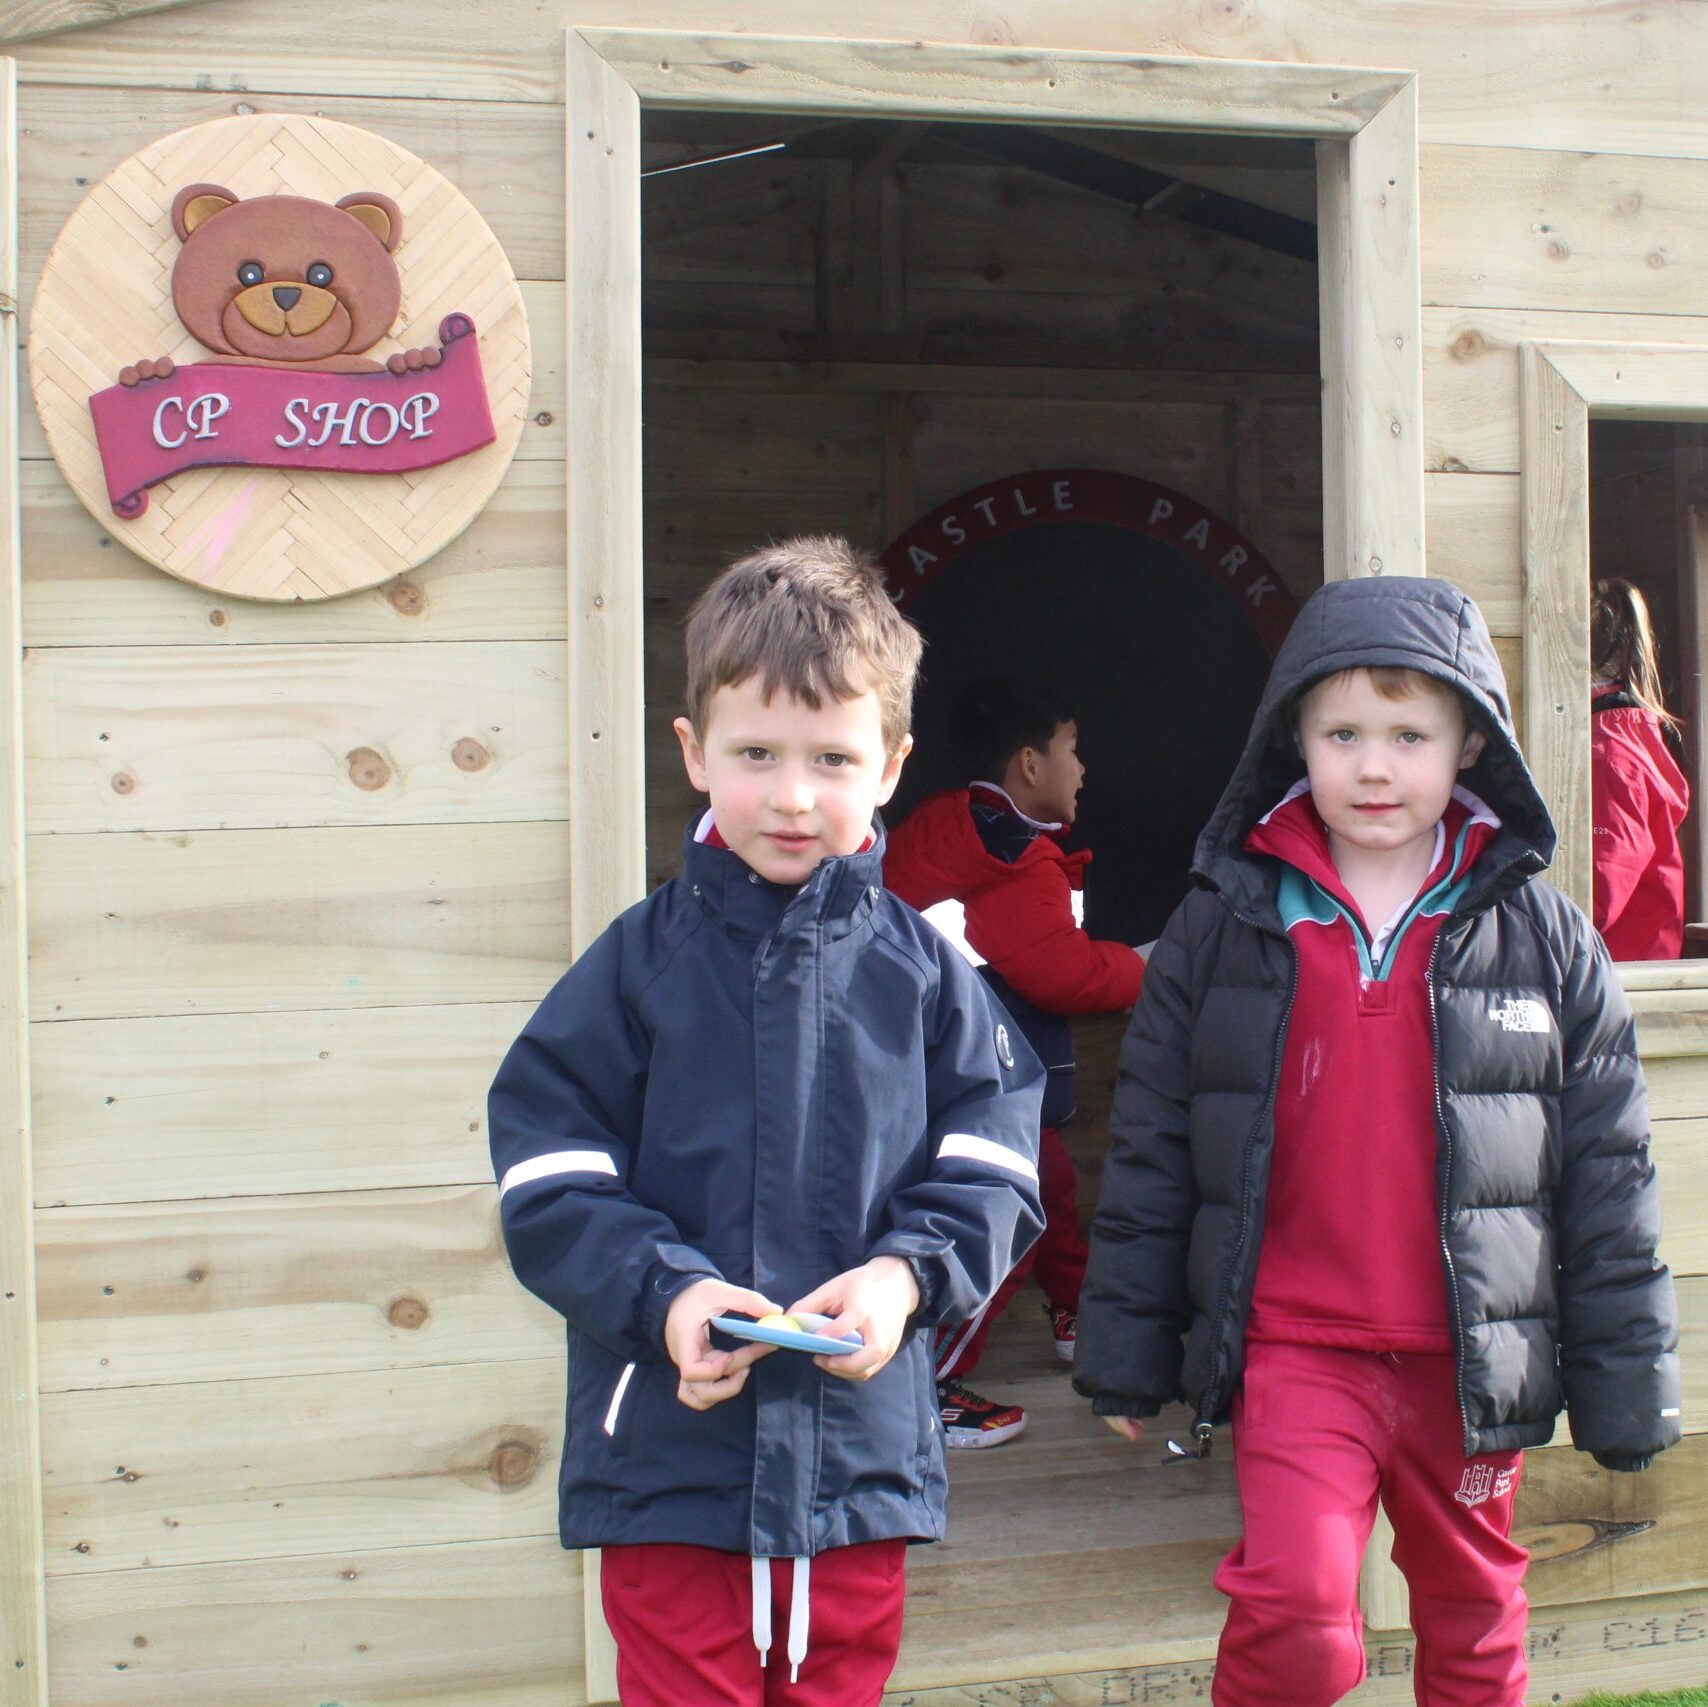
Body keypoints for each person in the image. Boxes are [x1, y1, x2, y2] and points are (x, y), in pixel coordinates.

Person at [1074, 576, 1680, 1707]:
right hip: (1296, 1351)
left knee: (1472, 1617)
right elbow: (1152, 1145)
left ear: (1470, 746)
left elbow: (1610, 1177)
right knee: (1298, 1616)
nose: (1373, 766)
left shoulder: (1546, 940)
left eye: (1410, 736)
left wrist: (1624, 1385)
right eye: (1341, 734)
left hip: (1470, 1363)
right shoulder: (1220, 924)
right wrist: (1126, 1347)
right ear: (1292, 740)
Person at [487, 536, 1045, 1707]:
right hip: (666, 1460)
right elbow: (548, 1174)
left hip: (858, 1464)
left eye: (831, 758)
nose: (792, 796)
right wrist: (666, 1294)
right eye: (755, 754)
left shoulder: (931, 977)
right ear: (694, 753)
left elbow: (995, 1161)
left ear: (890, 767)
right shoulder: (632, 967)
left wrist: (903, 1277)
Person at [885, 677, 1144, 1448]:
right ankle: (928, 1383)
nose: (1083, 768)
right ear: (1030, 764)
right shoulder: (1014, 856)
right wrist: (1150, 970)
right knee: (1013, 1215)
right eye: (1072, 749)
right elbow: (1062, 974)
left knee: (1049, 1192)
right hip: (986, 1083)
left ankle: (1079, 1314)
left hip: (933, 1070)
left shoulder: (948, 828)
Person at [1591, 576, 1690, 959]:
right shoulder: (1629, 737)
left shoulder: (1608, 755)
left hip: (1618, 970)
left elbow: (1597, 893)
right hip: (1636, 962)